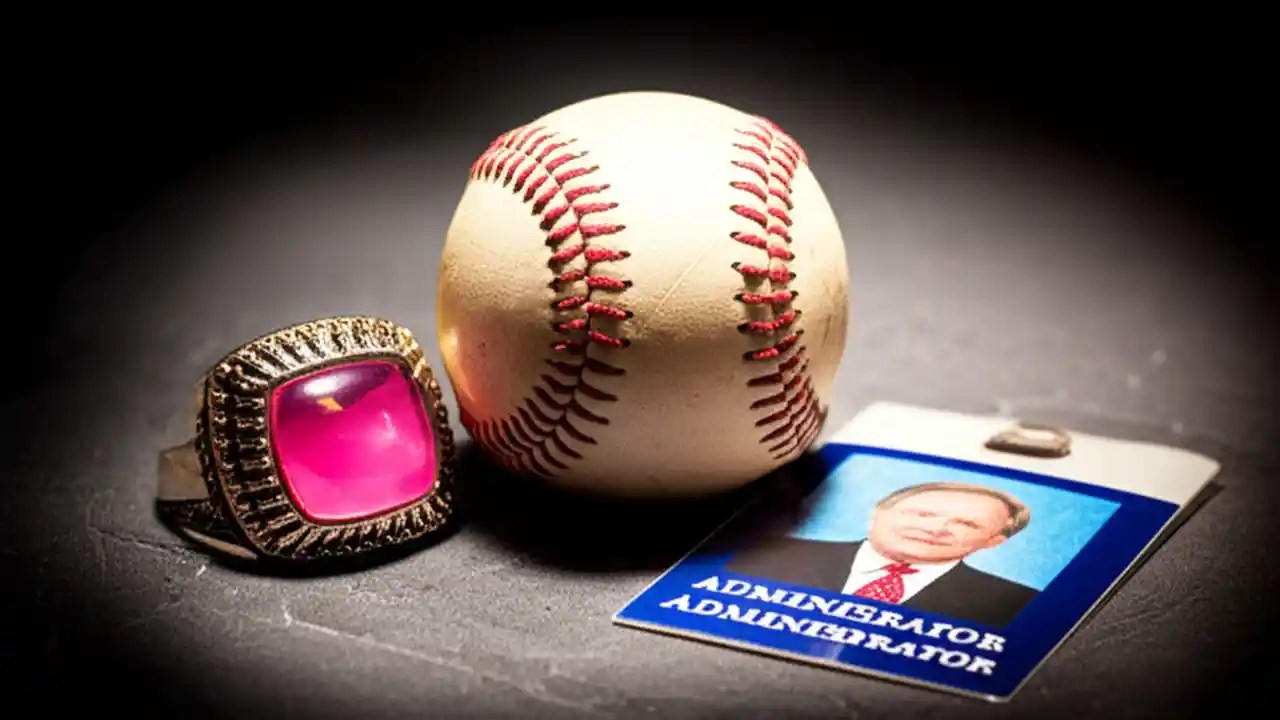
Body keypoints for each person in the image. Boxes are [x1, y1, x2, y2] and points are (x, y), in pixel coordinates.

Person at [721, 481, 1038, 628]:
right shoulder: (762, 556)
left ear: (994, 541)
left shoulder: (1018, 606)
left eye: (966, 523)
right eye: (922, 514)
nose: (937, 528)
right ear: (876, 515)